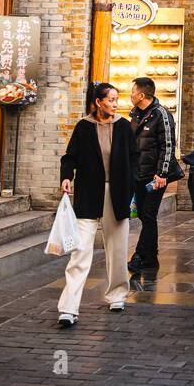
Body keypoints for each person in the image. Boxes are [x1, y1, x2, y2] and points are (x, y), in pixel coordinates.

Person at [58, 83, 136, 329]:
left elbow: (134, 158)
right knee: (80, 252)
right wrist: (66, 176)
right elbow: (69, 157)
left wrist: (131, 188)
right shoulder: (83, 126)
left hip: (118, 192)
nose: (115, 103)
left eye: (116, 99)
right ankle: (68, 308)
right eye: (110, 100)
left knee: (117, 248)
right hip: (88, 193)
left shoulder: (124, 126)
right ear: (98, 102)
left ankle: (117, 295)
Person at [128, 76, 180, 275]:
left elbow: (168, 146)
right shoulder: (135, 114)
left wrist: (162, 173)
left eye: (133, 91)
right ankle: (151, 258)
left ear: (141, 94)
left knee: (148, 214)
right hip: (139, 173)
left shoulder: (162, 114)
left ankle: (139, 256)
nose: (130, 95)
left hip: (155, 176)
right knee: (143, 214)